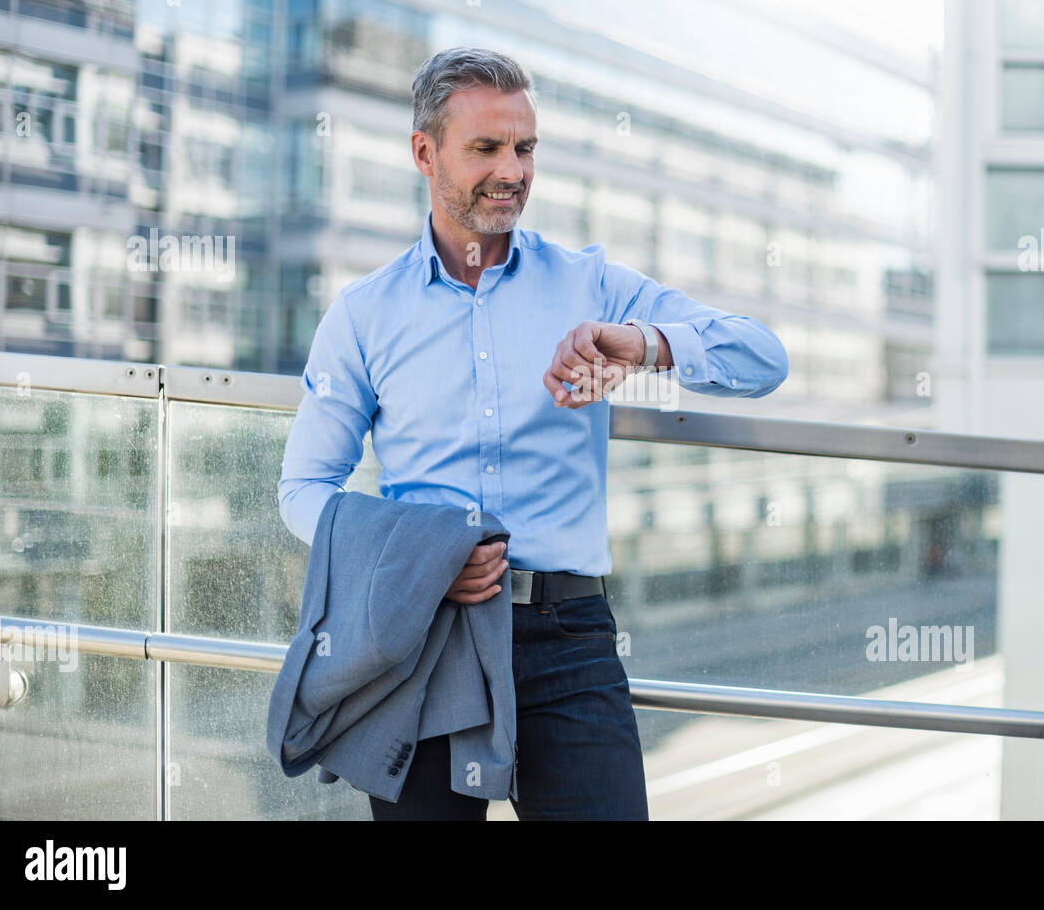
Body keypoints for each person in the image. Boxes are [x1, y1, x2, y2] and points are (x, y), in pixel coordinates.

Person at [277, 46, 790, 820]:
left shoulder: (592, 284)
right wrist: (417, 561)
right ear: (425, 152)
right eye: (486, 147)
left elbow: (763, 358)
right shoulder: (363, 314)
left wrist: (643, 345)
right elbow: (303, 489)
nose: (512, 171)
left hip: (568, 640)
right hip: (425, 639)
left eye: (525, 148)